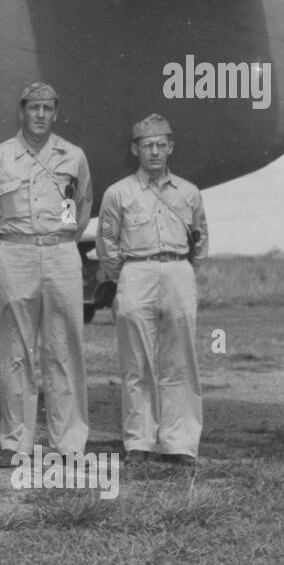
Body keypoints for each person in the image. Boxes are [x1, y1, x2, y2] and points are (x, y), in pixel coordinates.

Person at [0, 81, 92, 462]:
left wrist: (57, 238)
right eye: (33, 108)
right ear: (22, 112)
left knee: (65, 350)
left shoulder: (73, 156)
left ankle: (70, 443)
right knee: (15, 352)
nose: (40, 114)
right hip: (15, 254)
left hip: (61, 254)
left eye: (47, 108)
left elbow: (81, 206)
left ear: (55, 113)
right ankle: (16, 443)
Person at [96, 114, 209, 468]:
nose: (155, 152)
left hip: (177, 269)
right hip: (136, 271)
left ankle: (179, 443)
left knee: (180, 362)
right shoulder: (119, 193)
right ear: (135, 150)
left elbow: (200, 239)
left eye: (161, 145)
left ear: (170, 147)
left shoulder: (189, 192)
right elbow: (107, 243)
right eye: (147, 145)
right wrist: (127, 274)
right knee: (137, 363)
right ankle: (139, 441)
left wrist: (181, 270)